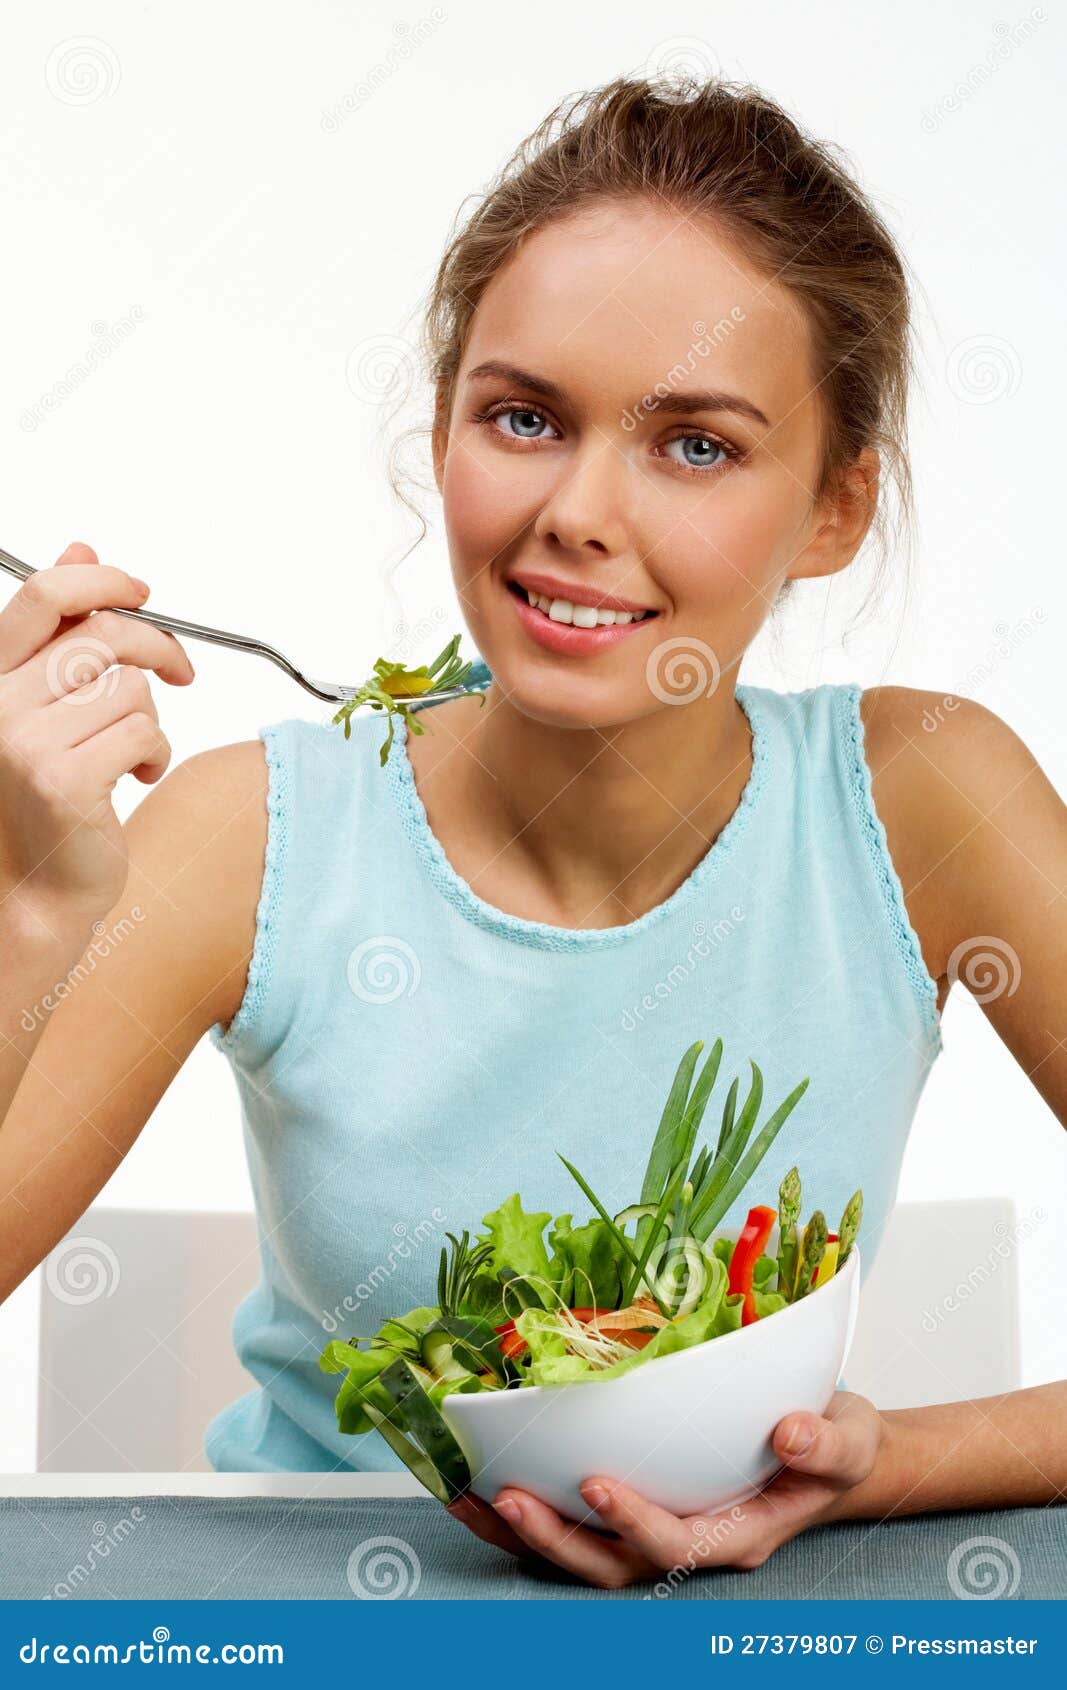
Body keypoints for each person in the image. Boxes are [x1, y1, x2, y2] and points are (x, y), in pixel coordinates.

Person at [1, 75, 1064, 1591]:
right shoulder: (256, 833)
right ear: (442, 433)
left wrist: (891, 1464)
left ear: (834, 507)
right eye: (524, 417)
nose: (576, 508)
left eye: (694, 444)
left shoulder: (923, 799)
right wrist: (25, 906)